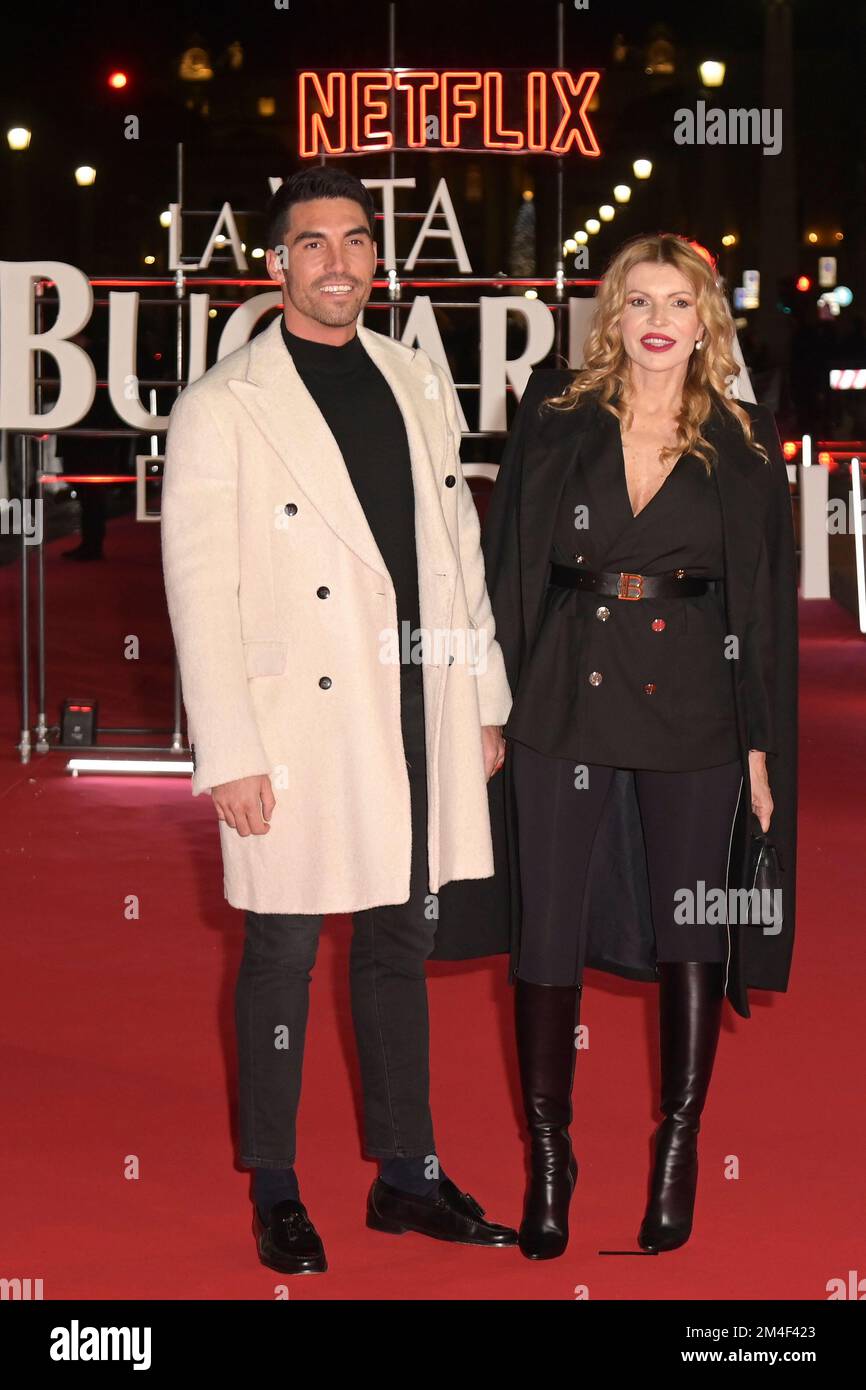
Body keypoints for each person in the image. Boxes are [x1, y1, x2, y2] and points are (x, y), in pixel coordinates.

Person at [160, 167, 517, 1275]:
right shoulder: (224, 404)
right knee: (281, 950)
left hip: (412, 697)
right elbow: (196, 586)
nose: (336, 262)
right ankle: (275, 1185)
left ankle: (404, 1174)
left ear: (376, 258)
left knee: (398, 943)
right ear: (277, 266)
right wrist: (229, 751)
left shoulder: (412, 376)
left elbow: (452, 548)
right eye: (312, 244)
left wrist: (481, 694)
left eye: (355, 241)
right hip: (293, 722)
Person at [477, 232, 798, 1259]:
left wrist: (758, 749)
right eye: (636, 300)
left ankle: (677, 1146)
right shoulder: (558, 415)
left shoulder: (743, 439)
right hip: (563, 693)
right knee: (545, 927)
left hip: (696, 704)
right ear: (610, 315)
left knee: (689, 928)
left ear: (706, 319)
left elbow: (760, 599)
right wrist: (487, 699)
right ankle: (545, 1153)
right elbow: (509, 564)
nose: (657, 319)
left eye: (678, 301)